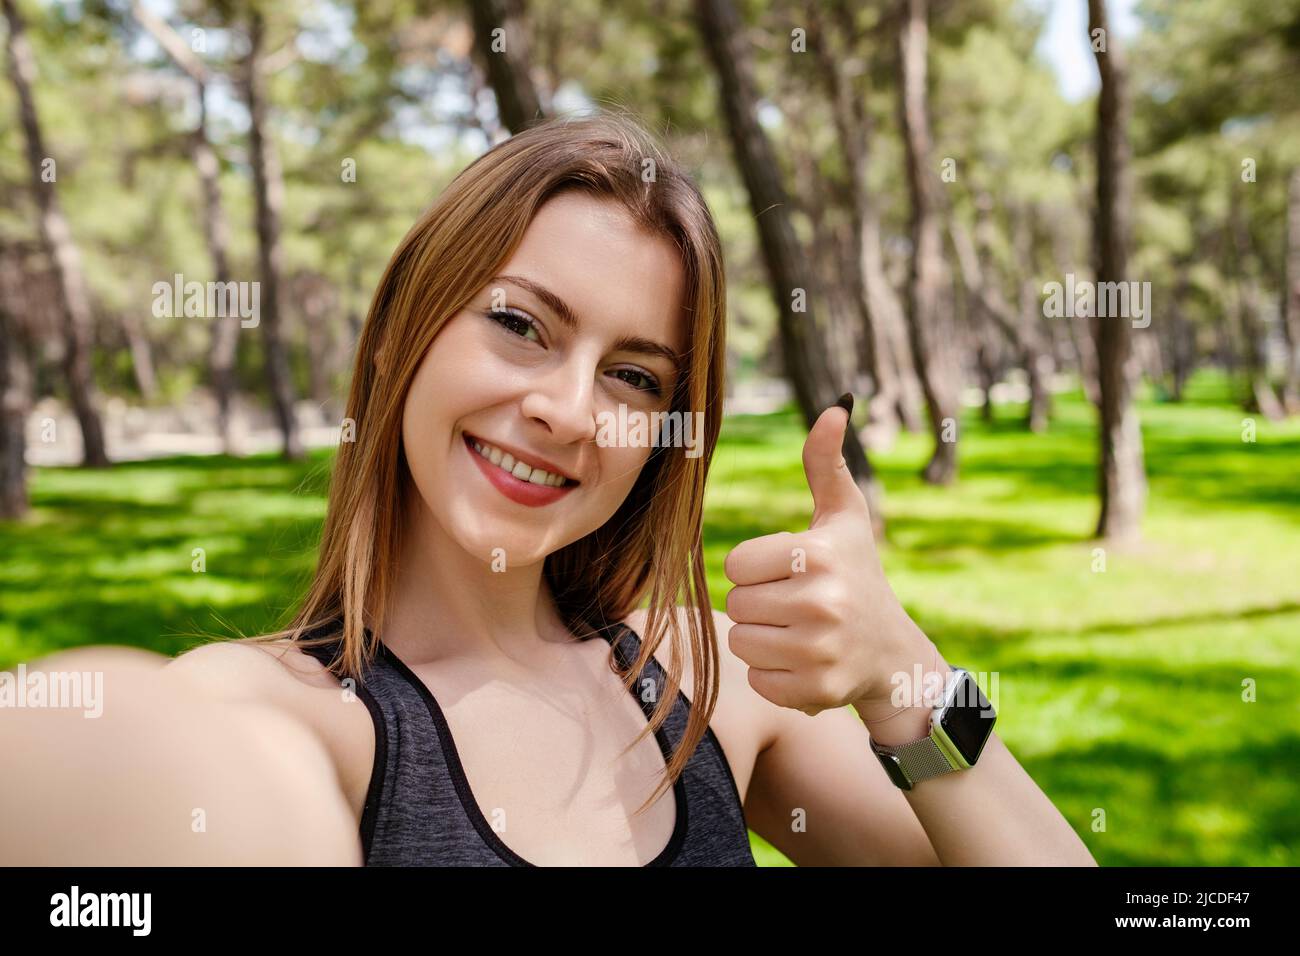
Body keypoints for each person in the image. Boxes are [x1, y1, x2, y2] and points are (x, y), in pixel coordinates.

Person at [0, 111, 1096, 866]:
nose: (570, 410)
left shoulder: (710, 687)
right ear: (400, 338)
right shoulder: (273, 717)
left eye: (631, 374)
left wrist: (904, 670)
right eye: (520, 323)